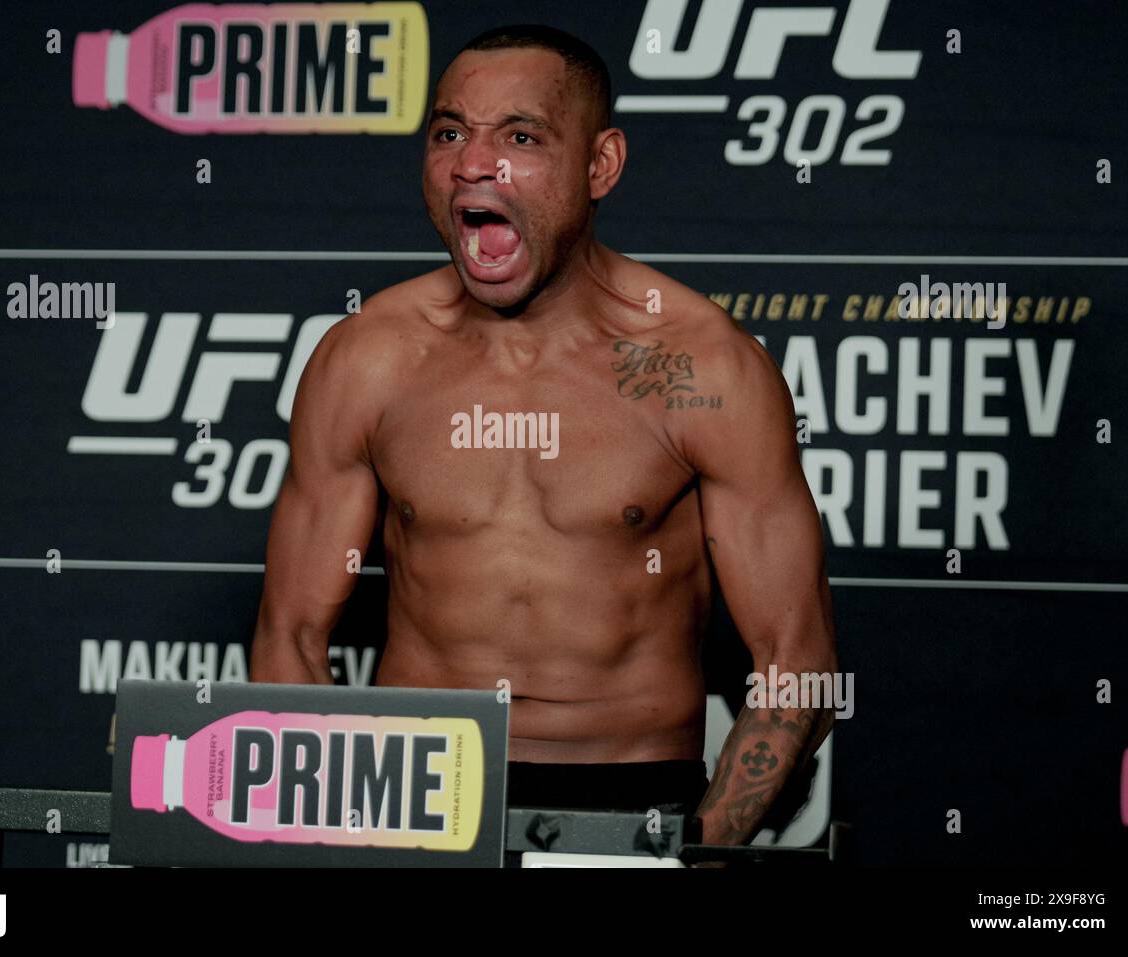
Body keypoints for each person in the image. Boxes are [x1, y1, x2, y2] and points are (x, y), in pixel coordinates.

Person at [251, 23, 837, 846]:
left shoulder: (703, 368)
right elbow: (290, 637)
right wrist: (333, 839)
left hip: (633, 799)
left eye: (520, 137)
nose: (471, 164)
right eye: (450, 132)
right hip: (411, 794)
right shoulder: (368, 360)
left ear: (600, 166)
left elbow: (797, 664)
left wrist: (696, 852)